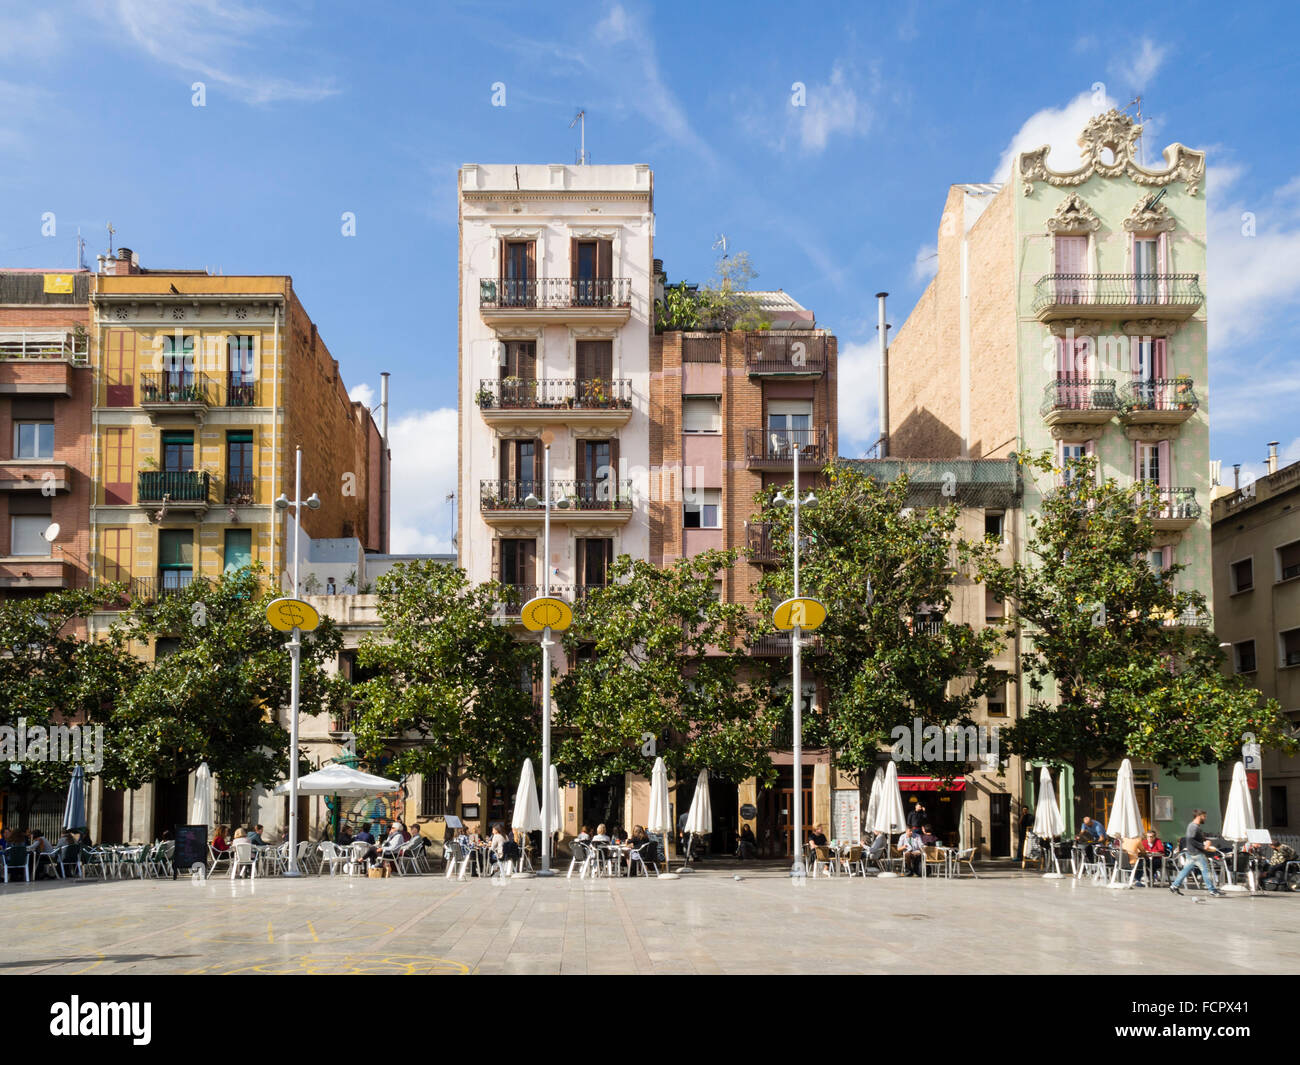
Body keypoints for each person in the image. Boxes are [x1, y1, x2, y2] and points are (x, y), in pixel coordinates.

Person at [1169, 810, 1225, 897]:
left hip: (1191, 853)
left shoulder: (1195, 826)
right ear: (1199, 816)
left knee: (1185, 870)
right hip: (1196, 853)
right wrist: (1203, 846)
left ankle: (1174, 886)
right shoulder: (1193, 827)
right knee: (1206, 871)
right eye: (1204, 816)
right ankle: (1212, 890)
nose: (1205, 818)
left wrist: (1206, 840)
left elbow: (1197, 838)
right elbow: (1190, 840)